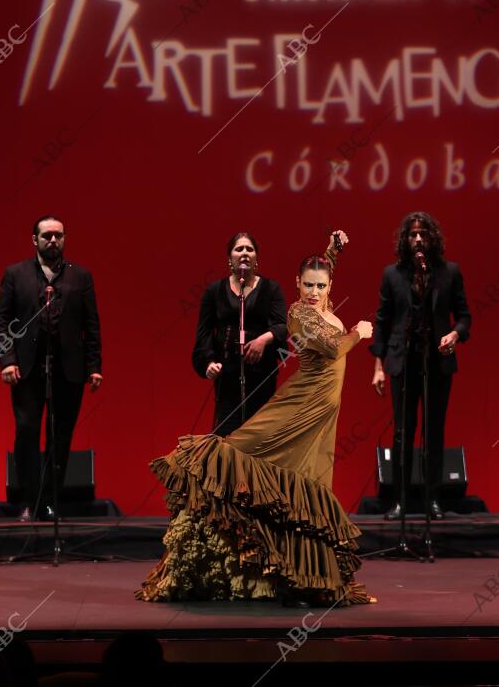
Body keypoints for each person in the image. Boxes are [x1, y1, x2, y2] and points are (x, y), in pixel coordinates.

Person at [137, 231, 376, 607]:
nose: (313, 291)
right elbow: (332, 348)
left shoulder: (324, 306)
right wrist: (358, 333)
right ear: (296, 284)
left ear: (331, 285)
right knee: (242, 454)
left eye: (321, 285)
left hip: (323, 415)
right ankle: (210, 554)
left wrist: (332, 251)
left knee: (306, 489)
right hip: (301, 405)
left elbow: (326, 271)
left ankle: (300, 580)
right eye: (307, 284)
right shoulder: (299, 314)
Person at [0, 215, 103, 522]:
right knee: (27, 431)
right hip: (26, 369)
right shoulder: (15, 274)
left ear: (65, 239)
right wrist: (7, 359)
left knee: (61, 435)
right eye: (47, 236)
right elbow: (2, 319)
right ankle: (27, 500)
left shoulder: (80, 276)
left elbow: (91, 324)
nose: (53, 241)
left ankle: (50, 501)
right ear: (35, 240)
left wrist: (94, 366)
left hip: (68, 369)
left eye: (58, 235)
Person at [369, 212, 471, 521]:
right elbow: (382, 322)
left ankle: (432, 499)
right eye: (412, 234)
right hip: (402, 360)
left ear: (432, 239)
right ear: (405, 239)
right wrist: (378, 366)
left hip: (437, 362)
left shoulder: (449, 272)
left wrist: (455, 334)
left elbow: (464, 316)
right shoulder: (392, 274)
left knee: (434, 430)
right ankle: (400, 500)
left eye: (423, 234)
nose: (417, 239)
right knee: (403, 432)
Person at [191, 233, 289, 436]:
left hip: (262, 375)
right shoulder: (215, 291)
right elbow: (204, 333)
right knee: (227, 438)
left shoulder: (271, 288)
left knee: (259, 438)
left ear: (256, 258)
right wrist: (208, 362)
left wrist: (263, 339)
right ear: (230, 258)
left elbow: (283, 325)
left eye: (249, 249)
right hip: (227, 376)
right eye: (239, 249)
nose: (244, 253)